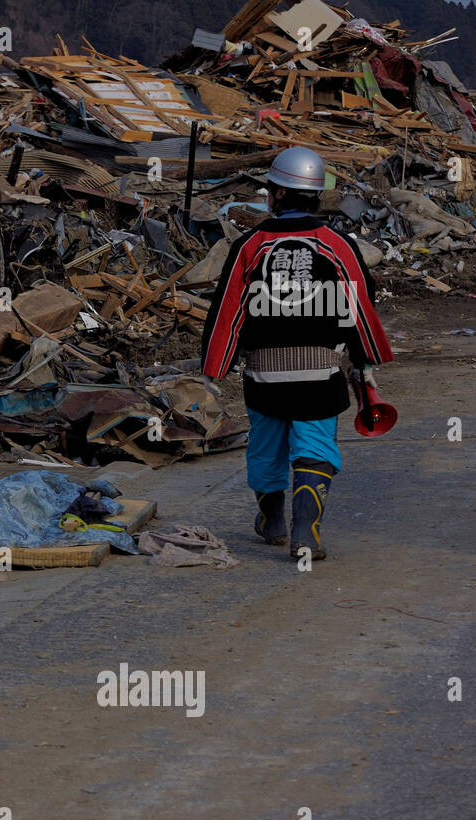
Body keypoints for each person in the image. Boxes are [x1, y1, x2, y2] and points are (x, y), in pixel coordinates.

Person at [200, 146, 394, 561]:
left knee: (266, 451)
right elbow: (359, 306)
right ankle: (306, 532)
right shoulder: (337, 245)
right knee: (315, 448)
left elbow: (227, 310)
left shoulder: (251, 246)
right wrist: (364, 361)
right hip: (320, 375)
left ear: (278, 195)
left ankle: (272, 521)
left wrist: (214, 367)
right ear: (315, 195)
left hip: (264, 378)